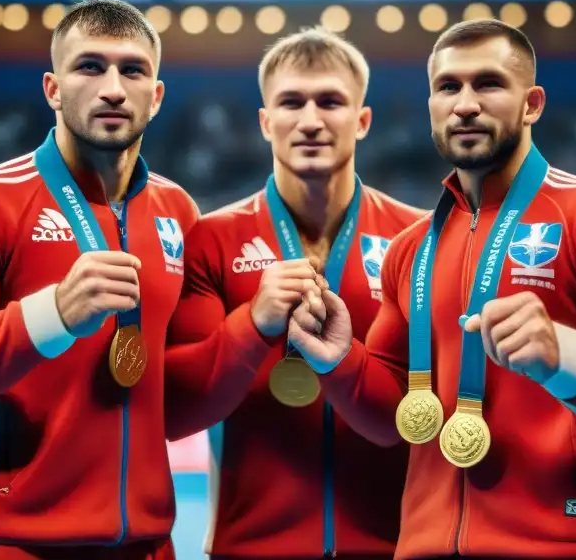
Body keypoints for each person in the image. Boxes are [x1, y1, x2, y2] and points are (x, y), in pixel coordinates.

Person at [285, 19, 576, 560]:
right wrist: (339, 360)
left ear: (532, 104)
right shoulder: (411, 248)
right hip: (426, 546)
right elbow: (393, 420)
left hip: (566, 544)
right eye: (448, 87)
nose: (464, 105)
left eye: (488, 84)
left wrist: (566, 358)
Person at [0, 0, 200, 560]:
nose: (112, 88)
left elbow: (187, 386)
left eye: (132, 70)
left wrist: (258, 327)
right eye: (89, 66)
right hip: (10, 540)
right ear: (52, 89)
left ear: (157, 94)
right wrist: (52, 313)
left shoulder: (179, 211)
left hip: (148, 542)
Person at [162, 28, 423, 559]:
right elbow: (179, 410)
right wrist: (253, 325)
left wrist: (342, 363)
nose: (310, 121)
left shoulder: (415, 240)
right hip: (250, 548)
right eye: (291, 102)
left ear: (363, 120)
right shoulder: (211, 240)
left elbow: (415, 411)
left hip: (394, 548)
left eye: (330, 101)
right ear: (265, 122)